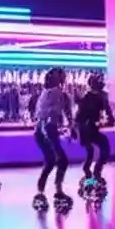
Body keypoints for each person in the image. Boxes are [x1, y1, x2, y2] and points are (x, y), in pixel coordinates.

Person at [33, 67, 73, 211]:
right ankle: (57, 190)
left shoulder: (48, 93)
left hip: (41, 131)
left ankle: (42, 191)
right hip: (46, 130)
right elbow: (50, 116)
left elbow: (64, 114)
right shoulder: (56, 93)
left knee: (50, 161)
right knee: (60, 160)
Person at [75, 73, 114, 196]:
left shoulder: (101, 96)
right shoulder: (88, 97)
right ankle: (89, 174)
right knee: (90, 151)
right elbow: (79, 116)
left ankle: (95, 172)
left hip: (91, 128)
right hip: (84, 128)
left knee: (103, 147)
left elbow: (108, 112)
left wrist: (110, 119)